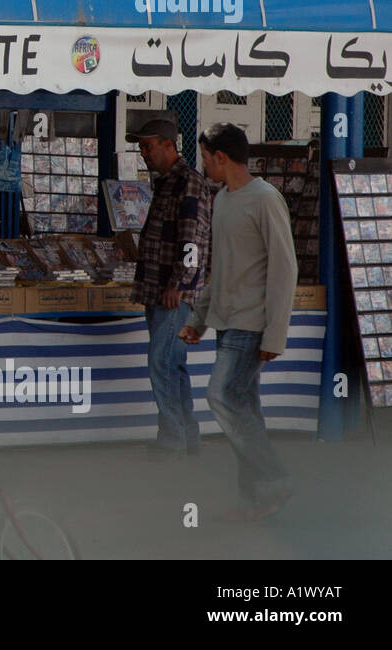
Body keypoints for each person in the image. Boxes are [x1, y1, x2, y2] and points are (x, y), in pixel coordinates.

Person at [179, 123, 297, 521]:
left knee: (222, 396)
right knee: (246, 409)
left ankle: (276, 478)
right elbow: (221, 270)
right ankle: (258, 498)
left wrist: (275, 333)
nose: (205, 165)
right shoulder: (223, 200)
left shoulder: (265, 199)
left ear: (222, 157)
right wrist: (198, 319)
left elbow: (285, 269)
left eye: (207, 157)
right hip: (228, 323)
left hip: (251, 324)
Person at [126, 118, 212, 460]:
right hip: (159, 288)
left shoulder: (187, 182)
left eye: (148, 146)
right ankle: (187, 435)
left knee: (160, 361)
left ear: (168, 144)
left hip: (172, 292)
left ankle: (173, 436)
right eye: (142, 147)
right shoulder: (165, 183)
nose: (144, 153)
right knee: (173, 363)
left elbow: (192, 239)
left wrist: (178, 283)